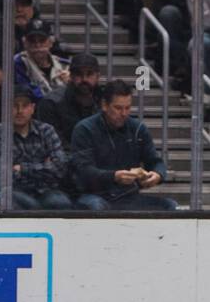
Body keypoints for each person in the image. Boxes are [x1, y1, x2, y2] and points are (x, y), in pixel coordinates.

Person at [70, 81, 176, 211]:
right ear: (104, 105)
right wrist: (114, 176)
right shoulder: (85, 129)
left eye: (128, 108)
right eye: (118, 108)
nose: (124, 113)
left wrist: (158, 174)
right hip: (93, 194)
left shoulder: (137, 128)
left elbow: (155, 161)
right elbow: (83, 171)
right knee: (96, 206)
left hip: (128, 195)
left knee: (170, 205)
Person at [0, 90, 71, 210]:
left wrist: (22, 168)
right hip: (13, 191)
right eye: (14, 106)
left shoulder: (46, 131)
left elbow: (60, 167)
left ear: (33, 108)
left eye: (25, 106)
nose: (19, 111)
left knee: (61, 203)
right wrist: (44, 165)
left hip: (47, 190)